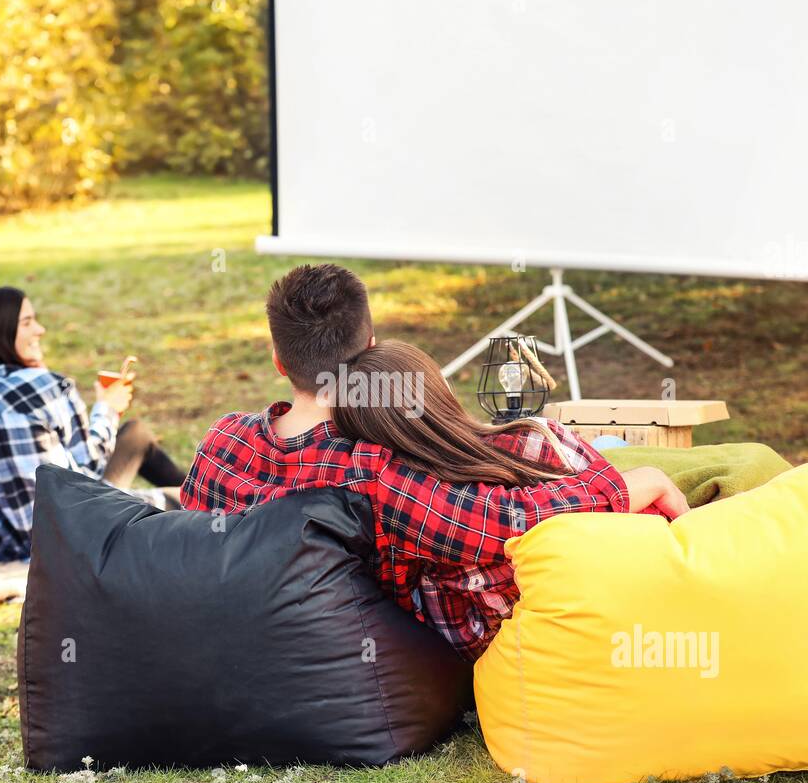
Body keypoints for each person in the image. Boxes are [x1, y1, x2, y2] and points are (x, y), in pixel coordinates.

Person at [180, 263, 689, 660]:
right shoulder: (375, 471)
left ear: (277, 358)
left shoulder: (220, 442)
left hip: (238, 643)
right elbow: (510, 525)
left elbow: (196, 547)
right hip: (355, 663)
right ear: (371, 349)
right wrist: (633, 484)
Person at [329, 339, 685, 660]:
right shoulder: (535, 440)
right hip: (648, 593)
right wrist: (646, 483)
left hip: (547, 653)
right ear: (441, 393)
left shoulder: (424, 546)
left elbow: (465, 644)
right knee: (615, 451)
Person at [0, 286, 185, 578]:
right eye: (27, 323)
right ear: (1, 333)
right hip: (77, 533)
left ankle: (210, 497)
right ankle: (224, 507)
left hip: (3, 546)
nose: (40, 329)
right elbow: (90, 467)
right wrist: (107, 409)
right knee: (186, 500)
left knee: (136, 434)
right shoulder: (48, 387)